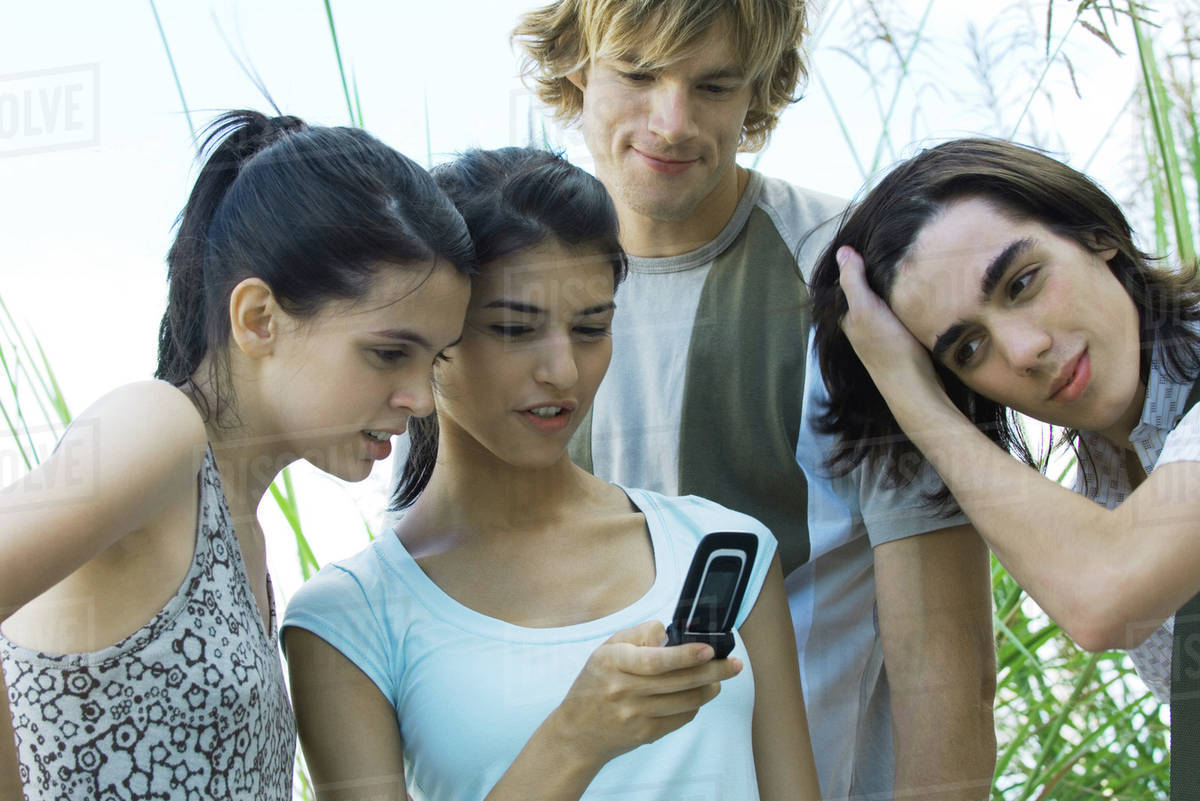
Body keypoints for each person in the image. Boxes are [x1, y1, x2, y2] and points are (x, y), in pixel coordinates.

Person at [513, 1, 997, 798]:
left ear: (760, 88)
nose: (672, 122)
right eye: (637, 73)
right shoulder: (496, 294)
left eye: (714, 85)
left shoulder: (855, 281)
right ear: (576, 63)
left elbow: (946, 664)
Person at [282, 146, 819, 801]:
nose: (563, 371)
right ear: (434, 332)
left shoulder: (721, 547)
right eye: (515, 328)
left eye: (591, 329)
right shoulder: (349, 617)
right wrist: (575, 738)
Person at [0, 110, 475, 800]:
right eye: (387, 352)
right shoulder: (158, 428)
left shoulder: (240, 525)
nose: (421, 400)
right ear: (258, 319)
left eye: (433, 361)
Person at [808, 137, 1200, 735]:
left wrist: (913, 395)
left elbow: (1105, 596)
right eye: (968, 349)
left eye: (1022, 284)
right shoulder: (1101, 487)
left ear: (1096, 234)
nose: (1024, 350)